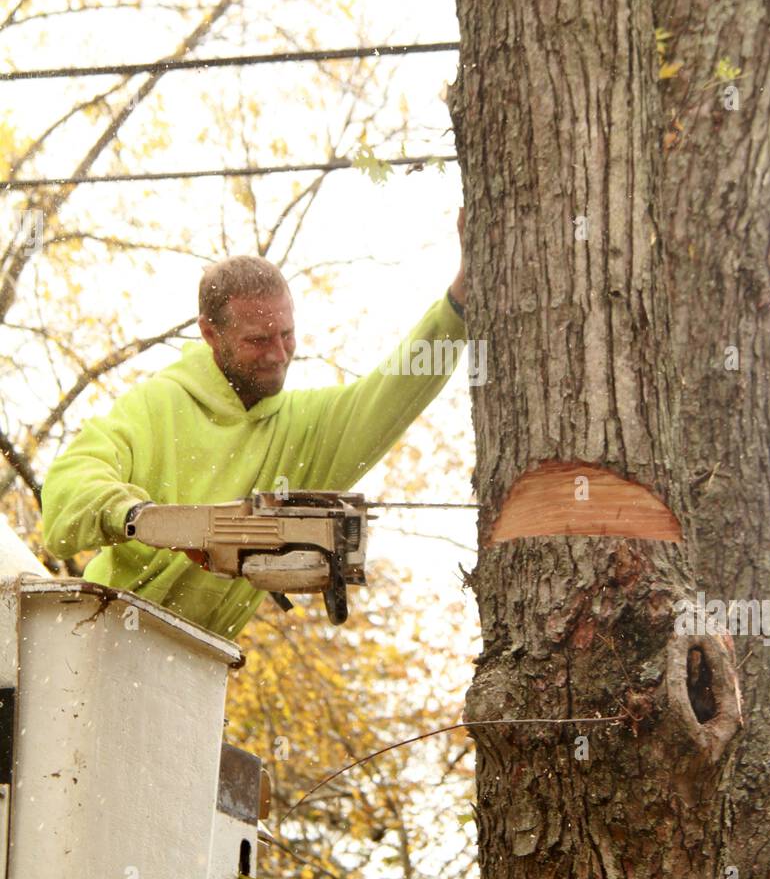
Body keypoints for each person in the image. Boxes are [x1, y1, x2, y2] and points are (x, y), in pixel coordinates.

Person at [40, 212, 467, 640]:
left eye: (287, 334)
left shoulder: (302, 430)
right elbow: (69, 486)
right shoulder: (156, 405)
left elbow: (395, 388)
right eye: (258, 340)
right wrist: (145, 519)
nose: (278, 353)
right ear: (210, 333)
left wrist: (459, 303)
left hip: (204, 661)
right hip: (100, 634)